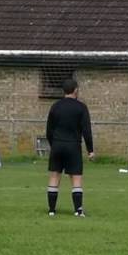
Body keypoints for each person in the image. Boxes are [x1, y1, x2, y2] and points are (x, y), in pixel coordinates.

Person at [44, 78, 94, 217]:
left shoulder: (55, 106)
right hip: (73, 146)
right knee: (76, 178)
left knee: (54, 176)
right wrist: (90, 150)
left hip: (57, 145)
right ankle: (78, 210)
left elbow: (49, 130)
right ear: (76, 90)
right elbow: (86, 130)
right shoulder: (81, 107)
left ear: (63, 91)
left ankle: (52, 210)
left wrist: (53, 145)